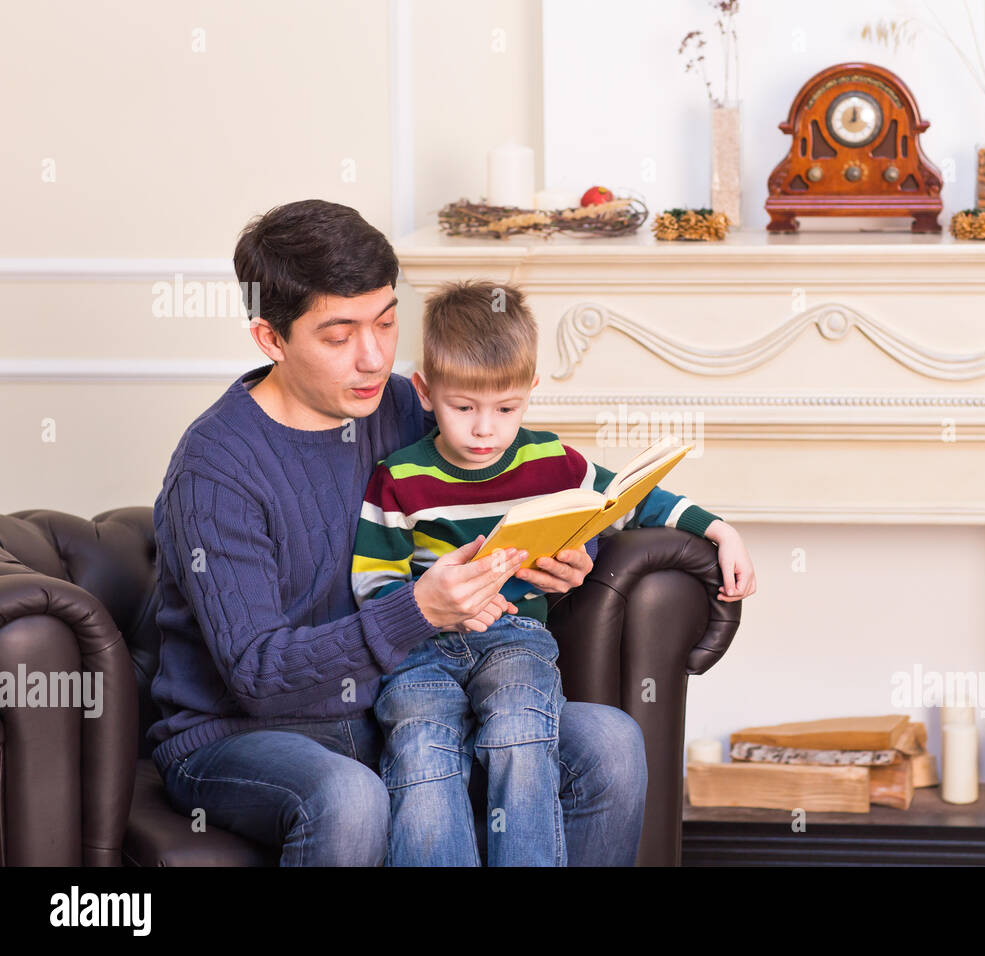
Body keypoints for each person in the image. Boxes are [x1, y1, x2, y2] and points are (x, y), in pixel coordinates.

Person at [148, 199, 648, 865]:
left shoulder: (404, 407)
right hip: (242, 732)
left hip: (399, 700)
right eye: (339, 336)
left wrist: (566, 550)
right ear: (271, 338)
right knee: (349, 799)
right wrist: (419, 611)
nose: (374, 357)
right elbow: (259, 677)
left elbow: (509, 485)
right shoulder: (215, 471)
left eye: (386, 323)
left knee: (610, 743)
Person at [351, 280, 757, 866]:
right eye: (463, 407)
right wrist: (427, 598)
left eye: (507, 408)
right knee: (421, 748)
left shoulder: (551, 461)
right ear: (425, 391)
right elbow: (373, 584)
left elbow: (634, 499)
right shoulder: (398, 476)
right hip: (422, 650)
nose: (485, 429)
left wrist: (719, 529)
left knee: (522, 729)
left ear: (531, 391)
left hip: (515, 638)